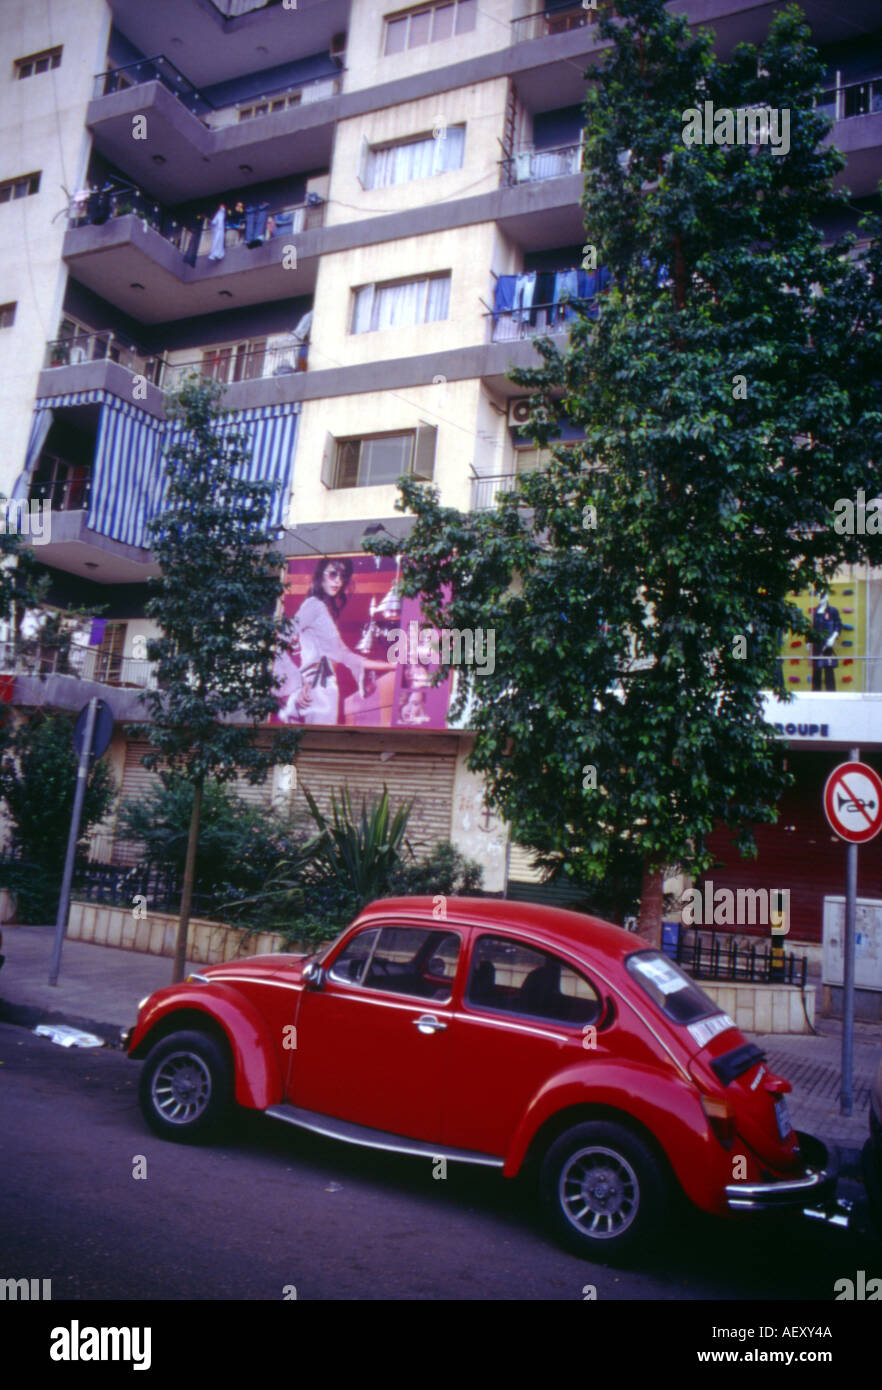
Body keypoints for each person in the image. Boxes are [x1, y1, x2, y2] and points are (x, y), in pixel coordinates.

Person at [277, 559, 396, 725]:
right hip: (319, 686)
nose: (338, 581)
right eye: (333, 574)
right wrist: (296, 683)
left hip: (314, 687)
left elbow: (348, 657)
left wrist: (390, 666)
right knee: (319, 745)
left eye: (342, 576)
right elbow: (281, 639)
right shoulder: (314, 606)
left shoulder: (322, 611)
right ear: (320, 577)